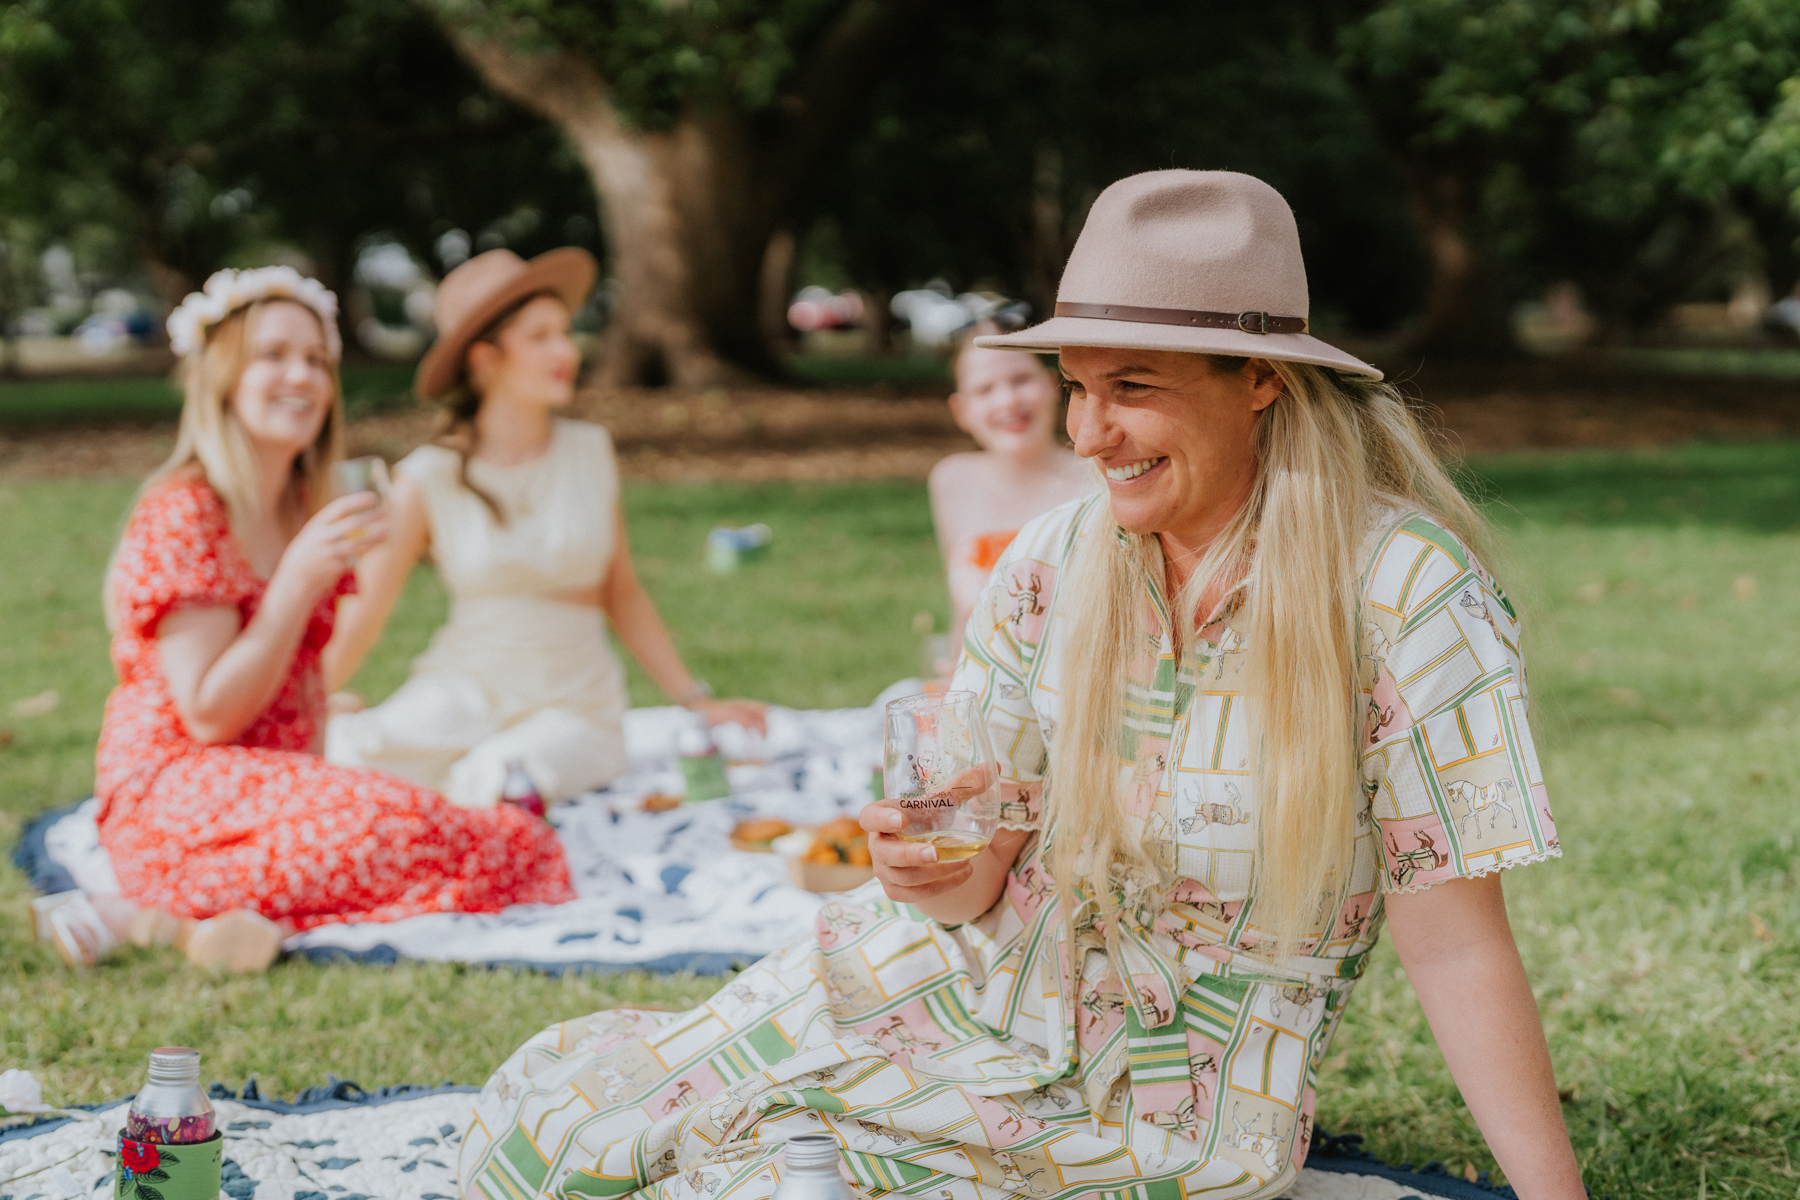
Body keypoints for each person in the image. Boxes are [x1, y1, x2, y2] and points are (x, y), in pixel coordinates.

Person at [457, 172, 1583, 1199]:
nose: (1089, 432)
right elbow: (972, 871)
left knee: (764, 1185)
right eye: (1076, 387)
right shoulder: (1051, 559)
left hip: (1169, 1097)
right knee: (562, 1136)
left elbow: (1455, 940)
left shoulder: (1402, 591)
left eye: (1130, 387)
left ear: (1259, 379)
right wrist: (928, 866)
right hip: (959, 980)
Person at [45, 267, 572, 973]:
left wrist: (316, 788)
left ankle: (183, 919)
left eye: (317, 360)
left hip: (262, 787)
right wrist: (297, 579)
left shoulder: (305, 503)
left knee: (412, 826)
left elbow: (305, 686)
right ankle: (159, 911)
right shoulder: (186, 509)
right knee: (419, 831)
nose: (302, 376)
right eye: (273, 355)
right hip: (174, 792)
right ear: (223, 375)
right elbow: (206, 718)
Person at [323, 248, 765, 809]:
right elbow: (363, 611)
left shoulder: (590, 452)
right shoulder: (426, 475)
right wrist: (310, 700)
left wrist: (695, 699)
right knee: (340, 754)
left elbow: (622, 592)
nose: (566, 350)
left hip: (574, 706)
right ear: (485, 358)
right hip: (462, 687)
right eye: (541, 337)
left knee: (501, 784)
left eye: (565, 332)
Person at [929, 323, 1094, 647]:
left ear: (1052, 385)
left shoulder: (1098, 481)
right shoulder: (951, 481)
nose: (1007, 400)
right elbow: (961, 616)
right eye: (984, 389)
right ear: (960, 410)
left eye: (1021, 380)